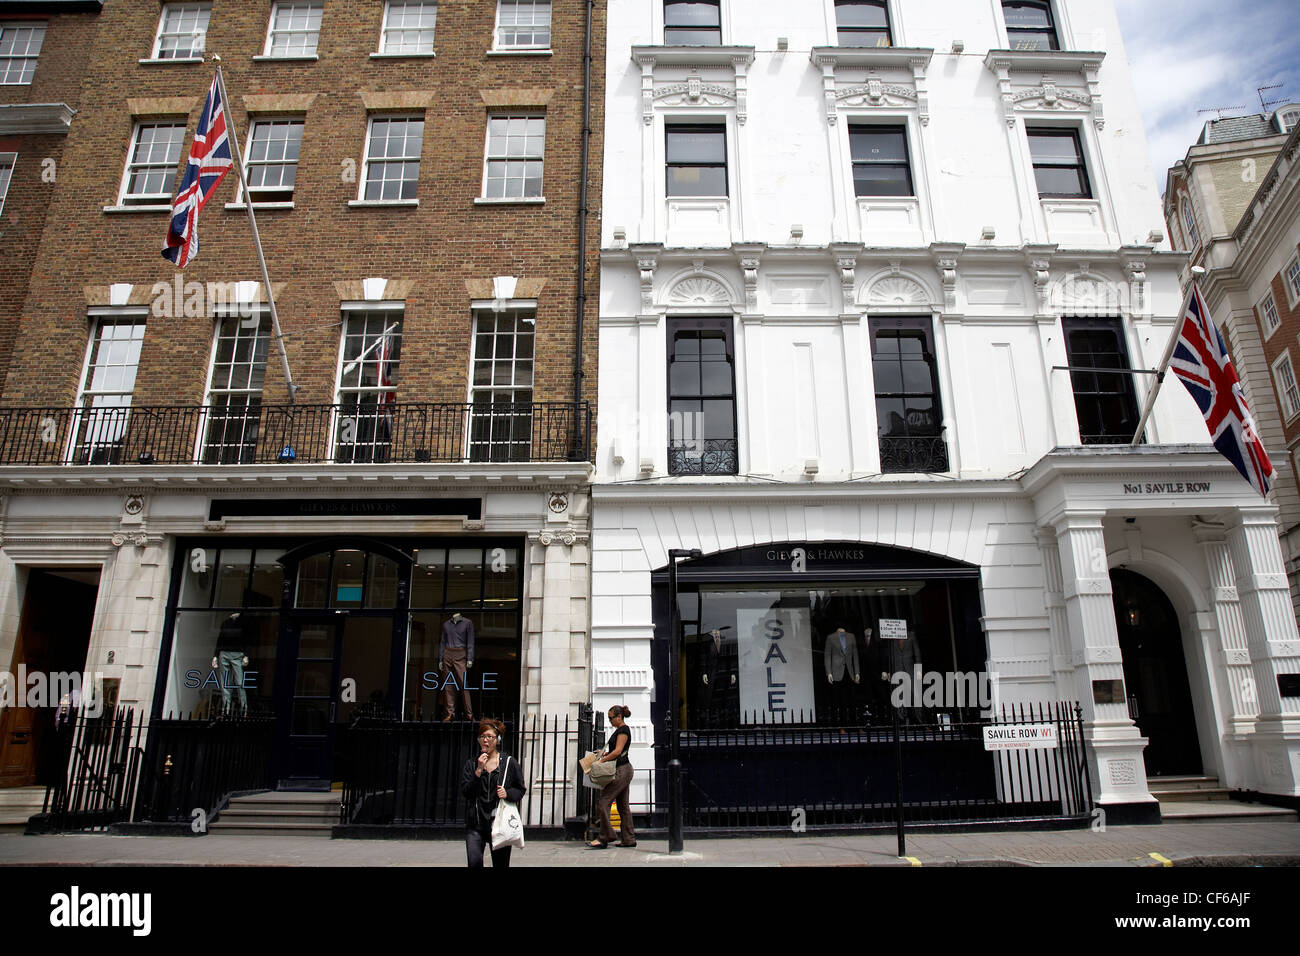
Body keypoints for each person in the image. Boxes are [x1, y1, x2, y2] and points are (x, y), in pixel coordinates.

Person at [460, 717, 526, 867]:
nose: (485, 740)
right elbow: (466, 792)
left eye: (489, 736)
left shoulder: (509, 763)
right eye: (482, 737)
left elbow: (521, 789)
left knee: (500, 864)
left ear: (498, 740)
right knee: (474, 863)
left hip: (499, 823)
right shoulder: (472, 764)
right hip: (475, 825)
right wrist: (478, 771)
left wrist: (508, 793)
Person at [589, 705, 636, 849]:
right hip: (624, 769)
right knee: (623, 806)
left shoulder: (623, 730)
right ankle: (628, 838)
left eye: (611, 718)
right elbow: (614, 751)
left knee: (603, 802)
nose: (609, 721)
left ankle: (606, 836)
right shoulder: (620, 730)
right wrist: (603, 753)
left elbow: (618, 752)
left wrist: (602, 761)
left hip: (621, 771)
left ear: (619, 717)